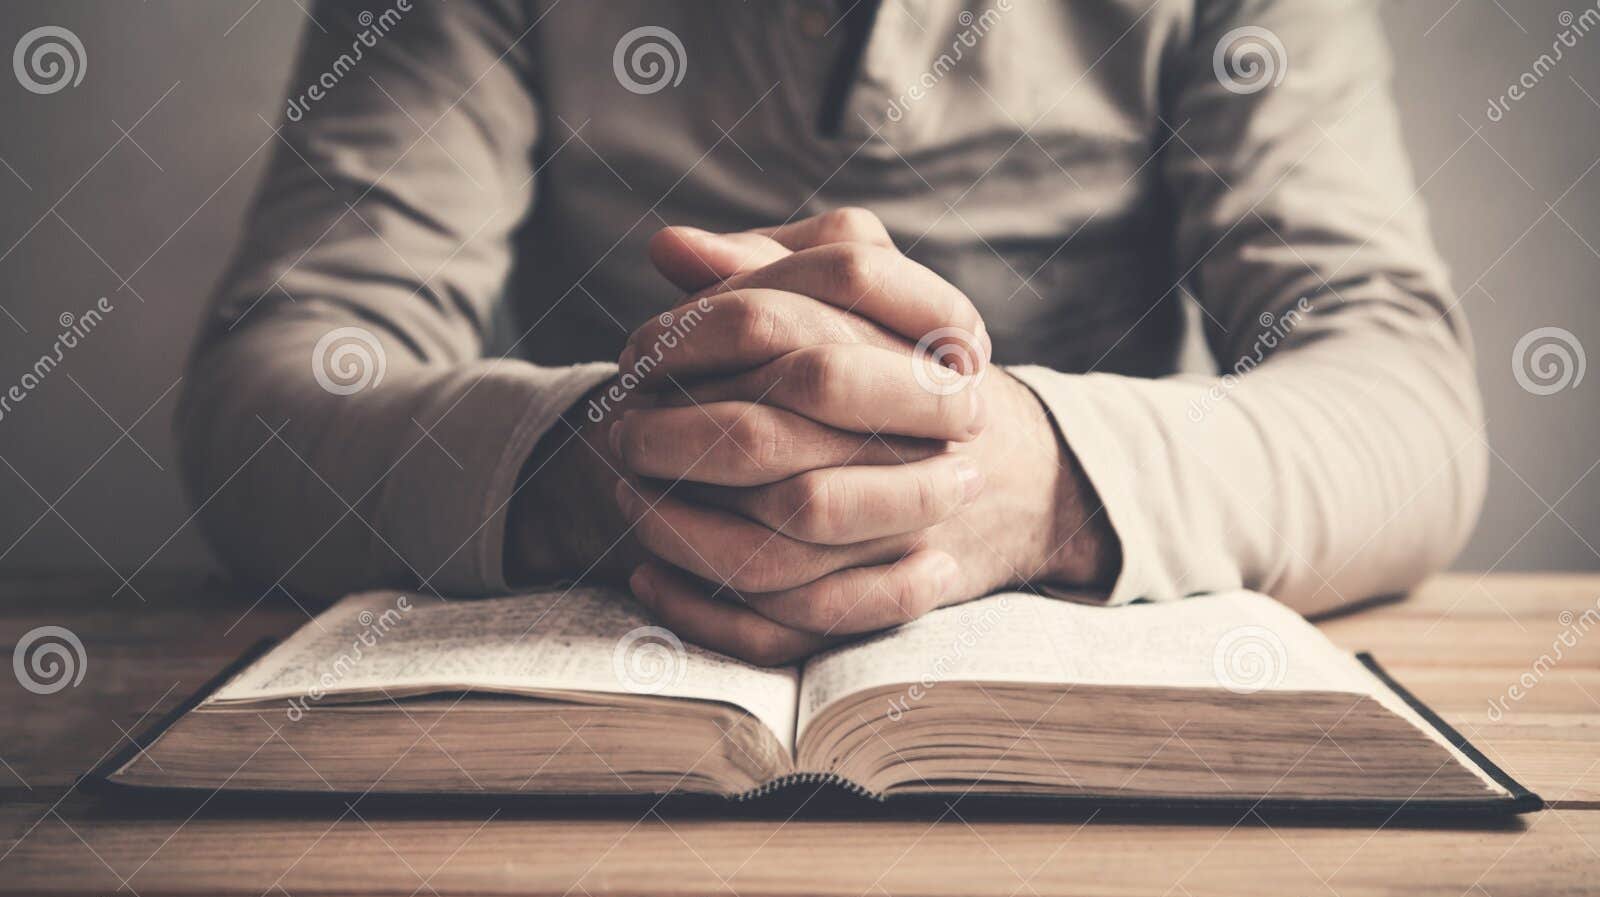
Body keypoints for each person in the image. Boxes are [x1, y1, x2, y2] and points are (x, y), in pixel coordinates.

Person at [179, 0, 1485, 664]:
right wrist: (593, 467)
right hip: (599, 723)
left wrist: (1034, 483)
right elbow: (267, 391)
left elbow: (1406, 398)